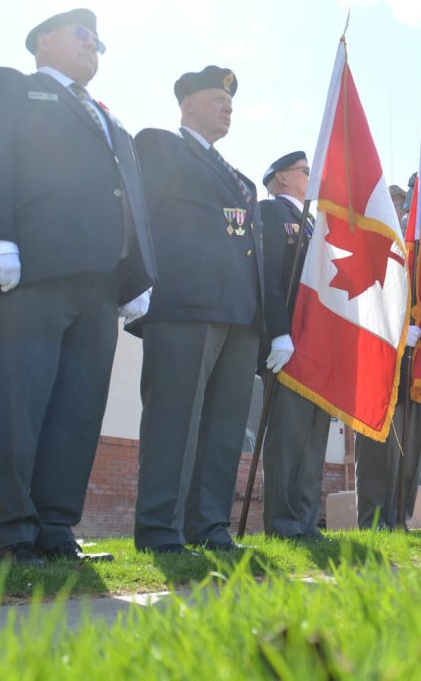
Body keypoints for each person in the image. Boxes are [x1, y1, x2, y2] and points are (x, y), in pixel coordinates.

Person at [0, 9, 156, 565]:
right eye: (83, 35)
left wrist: (136, 275)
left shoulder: (113, 123)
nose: (94, 47)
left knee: (77, 412)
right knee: (17, 404)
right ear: (43, 40)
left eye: (100, 42)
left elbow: (130, 203)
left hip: (100, 286)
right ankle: (13, 534)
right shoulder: (8, 86)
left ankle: (56, 530)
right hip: (32, 272)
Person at [130, 66, 262, 554]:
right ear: (186, 103)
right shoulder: (160, 146)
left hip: (239, 315)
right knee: (174, 420)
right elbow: (139, 215)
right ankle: (160, 531)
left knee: (225, 428)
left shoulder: (240, 178)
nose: (227, 108)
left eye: (230, 102)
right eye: (216, 99)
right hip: (183, 305)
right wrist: (135, 281)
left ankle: (208, 527)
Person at [258, 151, 331, 540]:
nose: (311, 176)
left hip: (316, 346)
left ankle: (305, 520)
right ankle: (283, 523)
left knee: (313, 437)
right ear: (282, 177)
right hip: (289, 344)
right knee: (288, 437)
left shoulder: (312, 225)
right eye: (305, 171)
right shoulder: (271, 213)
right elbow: (269, 276)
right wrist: (277, 331)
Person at [354, 185, 421, 530]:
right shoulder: (370, 252)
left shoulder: (408, 260)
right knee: (376, 454)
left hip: (408, 374)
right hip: (376, 366)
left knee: (405, 455)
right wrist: (398, 336)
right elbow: (366, 308)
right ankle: (373, 520)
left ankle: (397, 519)